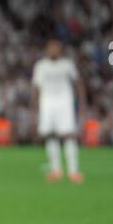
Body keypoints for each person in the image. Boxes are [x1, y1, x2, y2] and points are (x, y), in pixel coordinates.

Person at [32, 39, 85, 182]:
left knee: (68, 135)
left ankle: (73, 171)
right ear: (47, 49)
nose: (53, 51)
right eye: (51, 48)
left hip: (64, 102)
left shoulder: (67, 65)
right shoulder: (41, 66)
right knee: (50, 135)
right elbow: (36, 88)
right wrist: (34, 109)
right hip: (47, 103)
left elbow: (78, 83)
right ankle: (56, 170)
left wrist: (81, 103)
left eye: (56, 48)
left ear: (60, 50)